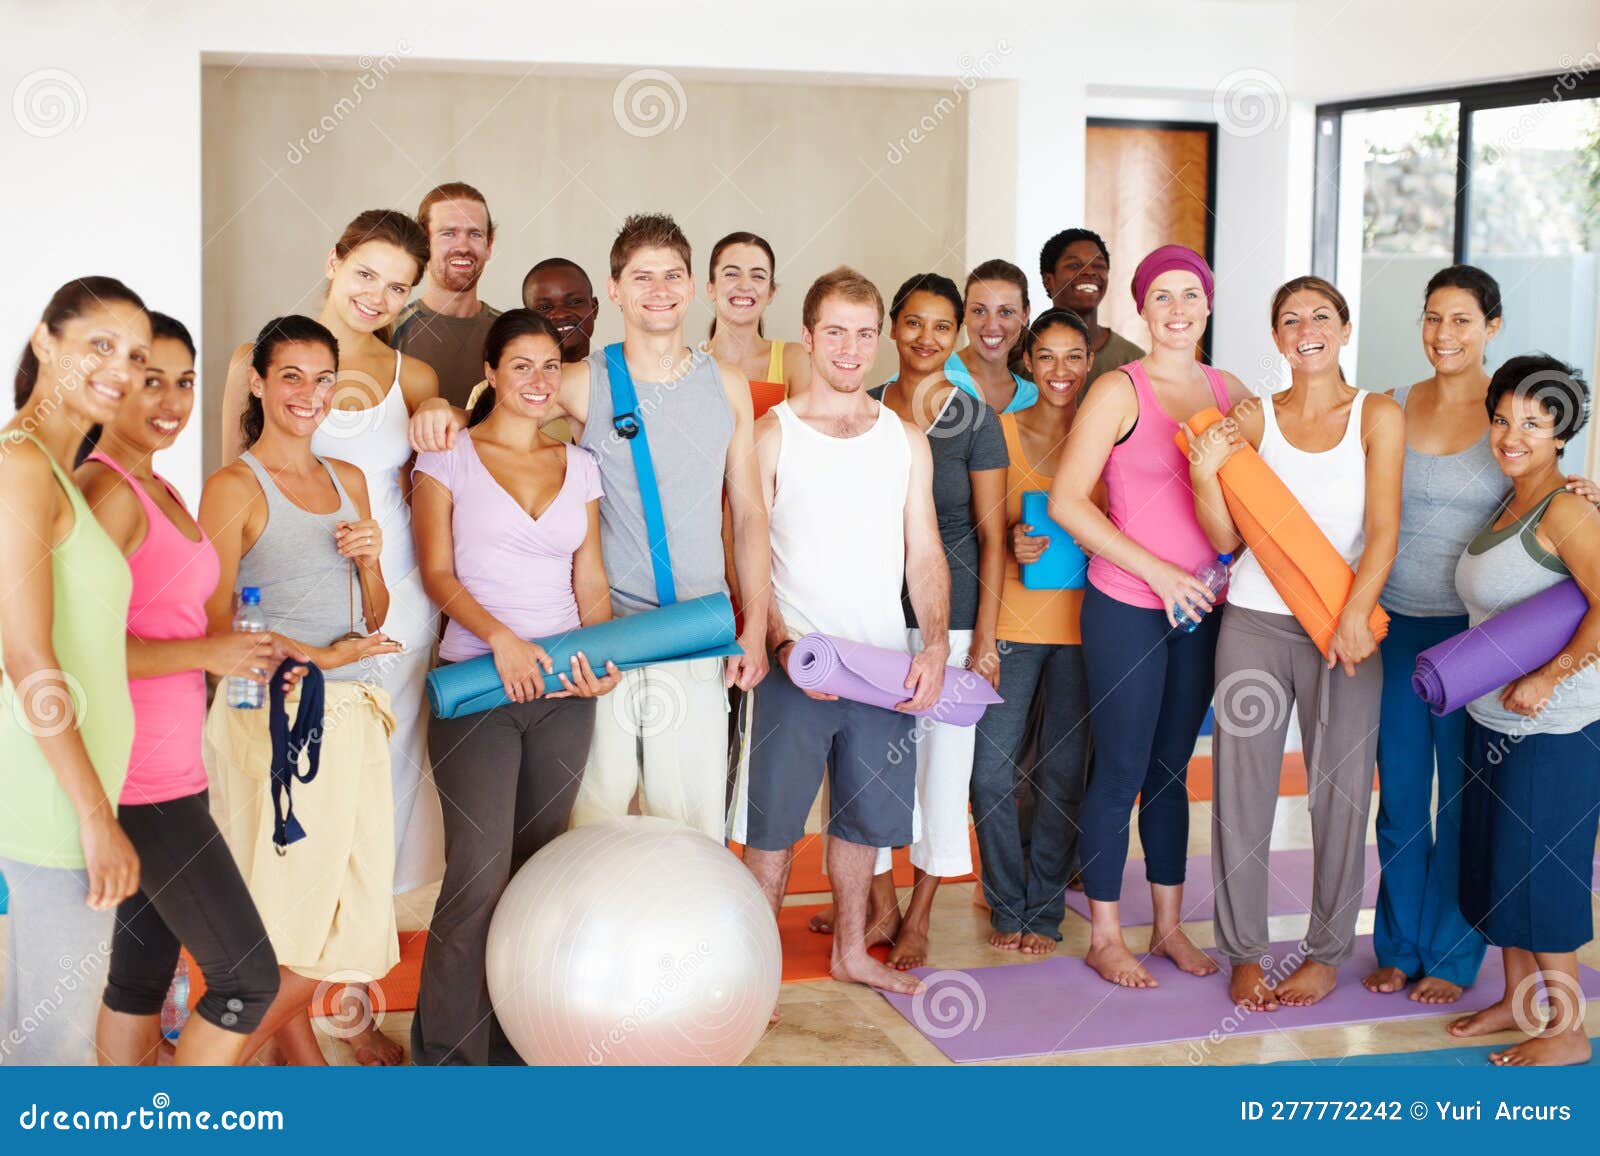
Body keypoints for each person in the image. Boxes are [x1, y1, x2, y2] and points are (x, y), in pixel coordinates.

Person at [410, 212, 770, 840]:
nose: (658, 290)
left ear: (691, 288)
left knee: (691, 830)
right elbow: (493, 417)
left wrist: (759, 626)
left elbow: (749, 516)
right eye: (642, 277)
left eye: (672, 276)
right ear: (616, 289)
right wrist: (437, 408)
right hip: (603, 643)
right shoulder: (580, 382)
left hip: (696, 636)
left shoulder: (729, 386)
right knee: (591, 828)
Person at [221, 208, 443, 1064]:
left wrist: (446, 424)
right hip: (287, 622)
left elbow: (441, 477)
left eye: (398, 288)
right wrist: (251, 638)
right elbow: (232, 492)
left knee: (365, 826)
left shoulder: (412, 374)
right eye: (366, 275)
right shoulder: (260, 361)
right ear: (333, 260)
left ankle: (334, 1016)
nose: (377, 298)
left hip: (387, 612)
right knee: (292, 824)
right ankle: (286, 1033)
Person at [1364, 267, 1599, 1005]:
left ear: (1492, 327)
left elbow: (1559, 501)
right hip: (1403, 629)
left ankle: (1455, 957)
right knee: (1402, 799)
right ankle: (1398, 945)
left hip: (1484, 642)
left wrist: (1591, 490)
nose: (1445, 334)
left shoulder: (1517, 412)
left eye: (1462, 320)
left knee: (1469, 808)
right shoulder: (1396, 405)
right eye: (1433, 317)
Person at [410, 310, 622, 1066]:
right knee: (476, 875)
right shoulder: (448, 461)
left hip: (565, 693)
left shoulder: (582, 463)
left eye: (550, 367)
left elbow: (588, 578)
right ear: (491, 374)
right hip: (477, 686)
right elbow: (437, 575)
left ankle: (515, 1046)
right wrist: (501, 640)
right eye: (521, 366)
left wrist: (597, 658)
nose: (538, 381)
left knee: (538, 874)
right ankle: (446, 1061)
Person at [78, 313, 290, 1066]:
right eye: (150, 380)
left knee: (139, 979)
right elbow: (81, 651)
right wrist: (213, 651)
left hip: (176, 768)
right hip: (142, 782)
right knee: (246, 979)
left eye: (184, 381)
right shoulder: (108, 491)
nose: (171, 399)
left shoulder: (157, 482)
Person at [734, 267, 948, 1002]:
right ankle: (757, 971)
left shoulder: (905, 440)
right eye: (836, 332)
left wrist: (937, 644)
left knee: (865, 819)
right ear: (808, 336)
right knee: (771, 825)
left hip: (882, 665)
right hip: (798, 663)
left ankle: (852, 951)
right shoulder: (772, 435)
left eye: (864, 333)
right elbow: (749, 546)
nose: (851, 349)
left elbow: (924, 550)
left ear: (878, 338)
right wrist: (780, 642)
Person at [1189, 277, 1403, 1010]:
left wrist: (1354, 616)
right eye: (1290, 319)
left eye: (1320, 316)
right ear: (1277, 338)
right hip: (1251, 623)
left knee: (1339, 796)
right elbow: (1223, 539)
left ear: (1344, 329)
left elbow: (1384, 531)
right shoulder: (1252, 419)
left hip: (1344, 629)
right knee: (1240, 792)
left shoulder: (1378, 415)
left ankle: (1325, 952)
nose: (1305, 328)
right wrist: (1202, 471)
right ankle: (1244, 952)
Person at [200, 314, 405, 1066]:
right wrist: (321, 657)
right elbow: (215, 627)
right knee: (296, 910)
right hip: (279, 720)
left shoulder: (347, 481)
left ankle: (294, 1070)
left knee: (339, 915)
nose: (309, 394)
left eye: (323, 379)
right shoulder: (231, 489)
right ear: (257, 382)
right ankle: (204, 1075)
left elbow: (374, 617)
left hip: (354, 712)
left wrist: (371, 563)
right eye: (291, 376)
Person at [1050, 244, 1248, 989]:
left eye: (1188, 296)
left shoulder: (1229, 390)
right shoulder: (1117, 391)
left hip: (1202, 611)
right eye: (1160, 297)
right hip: (1128, 606)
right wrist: (1161, 571)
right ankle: (1105, 934)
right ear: (1142, 308)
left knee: (1172, 773)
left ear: (1207, 303)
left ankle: (1167, 926)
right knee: (1122, 769)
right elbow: (1070, 502)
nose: (1175, 310)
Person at [825, 272, 1004, 970]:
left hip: (949, 625)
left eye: (941, 326)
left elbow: (991, 536)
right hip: (868, 621)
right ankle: (879, 902)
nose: (926, 338)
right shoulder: (860, 408)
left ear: (955, 336)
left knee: (941, 773)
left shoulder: (974, 418)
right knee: (863, 770)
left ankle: (922, 914)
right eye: (913, 323)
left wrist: (982, 639)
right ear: (892, 328)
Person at [0, 278, 147, 1065]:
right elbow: (25, 655)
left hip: (68, 791)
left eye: (134, 356)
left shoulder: (59, 475)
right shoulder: (20, 466)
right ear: (44, 341)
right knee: (55, 1053)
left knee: (30, 1044)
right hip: (55, 800)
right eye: (100, 345)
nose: (120, 370)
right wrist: (94, 816)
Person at [1446, 355, 1599, 1067]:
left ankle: (1567, 1031)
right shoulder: (1508, 500)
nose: (1512, 435)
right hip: (1491, 720)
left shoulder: (1567, 508)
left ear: (1561, 433)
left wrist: (1551, 674)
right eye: (1504, 419)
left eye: (1533, 424)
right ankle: (1516, 1002)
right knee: (1498, 867)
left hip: (1555, 729)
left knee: (1545, 875)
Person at [971, 309, 1095, 954]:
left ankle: (1043, 911)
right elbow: (986, 535)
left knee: (1062, 774)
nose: (1060, 371)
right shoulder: (1002, 431)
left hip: (1087, 629)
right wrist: (984, 637)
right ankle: (1005, 897)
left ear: (1089, 363)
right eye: (1046, 357)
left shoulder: (1104, 434)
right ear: (1027, 361)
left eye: (1073, 357)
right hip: (1014, 625)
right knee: (991, 773)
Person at [391, 182, 502, 407]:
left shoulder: (511, 334)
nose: (462, 246)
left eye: (474, 234)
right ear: (424, 242)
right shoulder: (388, 332)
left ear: (489, 245)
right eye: (448, 233)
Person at [704, 231, 809, 416]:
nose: (744, 285)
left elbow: (806, 438)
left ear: (770, 293)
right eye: (731, 274)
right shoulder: (688, 367)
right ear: (710, 288)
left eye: (758, 276)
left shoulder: (793, 359)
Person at [1039, 228, 1146, 391]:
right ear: (1048, 280)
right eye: (1074, 265)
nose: (1090, 272)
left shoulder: (1133, 359)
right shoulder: (1023, 354)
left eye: (1098, 265)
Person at [946, 260, 1037, 415]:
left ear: (1025, 314)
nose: (992, 326)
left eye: (1006, 312)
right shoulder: (933, 377)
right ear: (964, 313)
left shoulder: (1033, 398)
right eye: (979, 311)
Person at [523, 257, 599, 364]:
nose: (560, 314)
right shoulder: (514, 380)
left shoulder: (618, 374)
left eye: (574, 302)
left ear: (594, 308)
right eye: (544, 308)